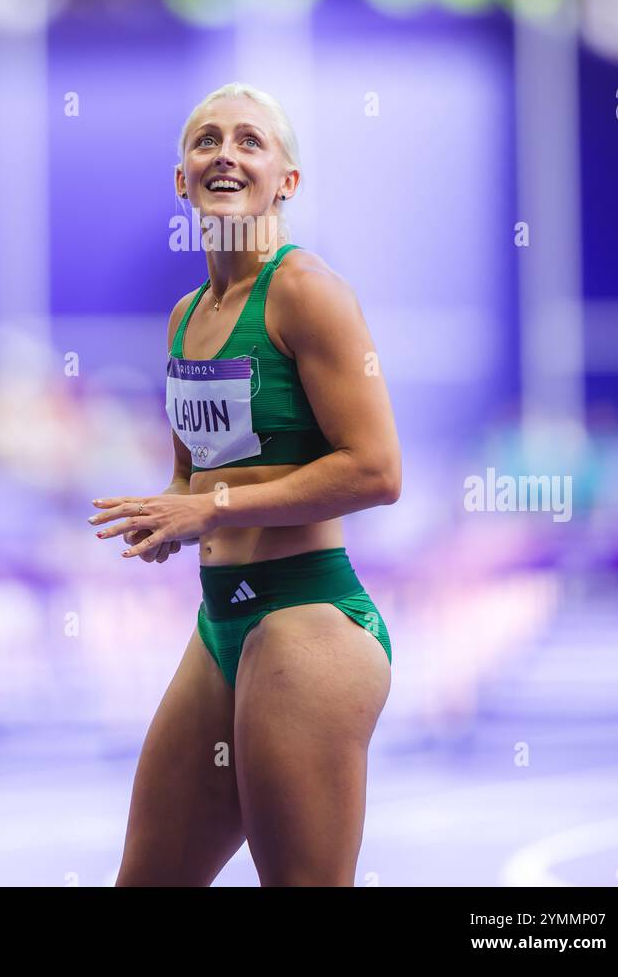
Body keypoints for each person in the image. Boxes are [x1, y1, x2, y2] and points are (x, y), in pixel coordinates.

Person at [89, 81, 401, 887]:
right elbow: (196, 472)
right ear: (182, 180)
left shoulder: (307, 293)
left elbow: (376, 470)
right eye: (206, 141)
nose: (225, 153)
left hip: (308, 621)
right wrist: (168, 515)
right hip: (220, 624)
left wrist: (207, 507)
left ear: (286, 181)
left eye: (250, 141)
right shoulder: (186, 314)